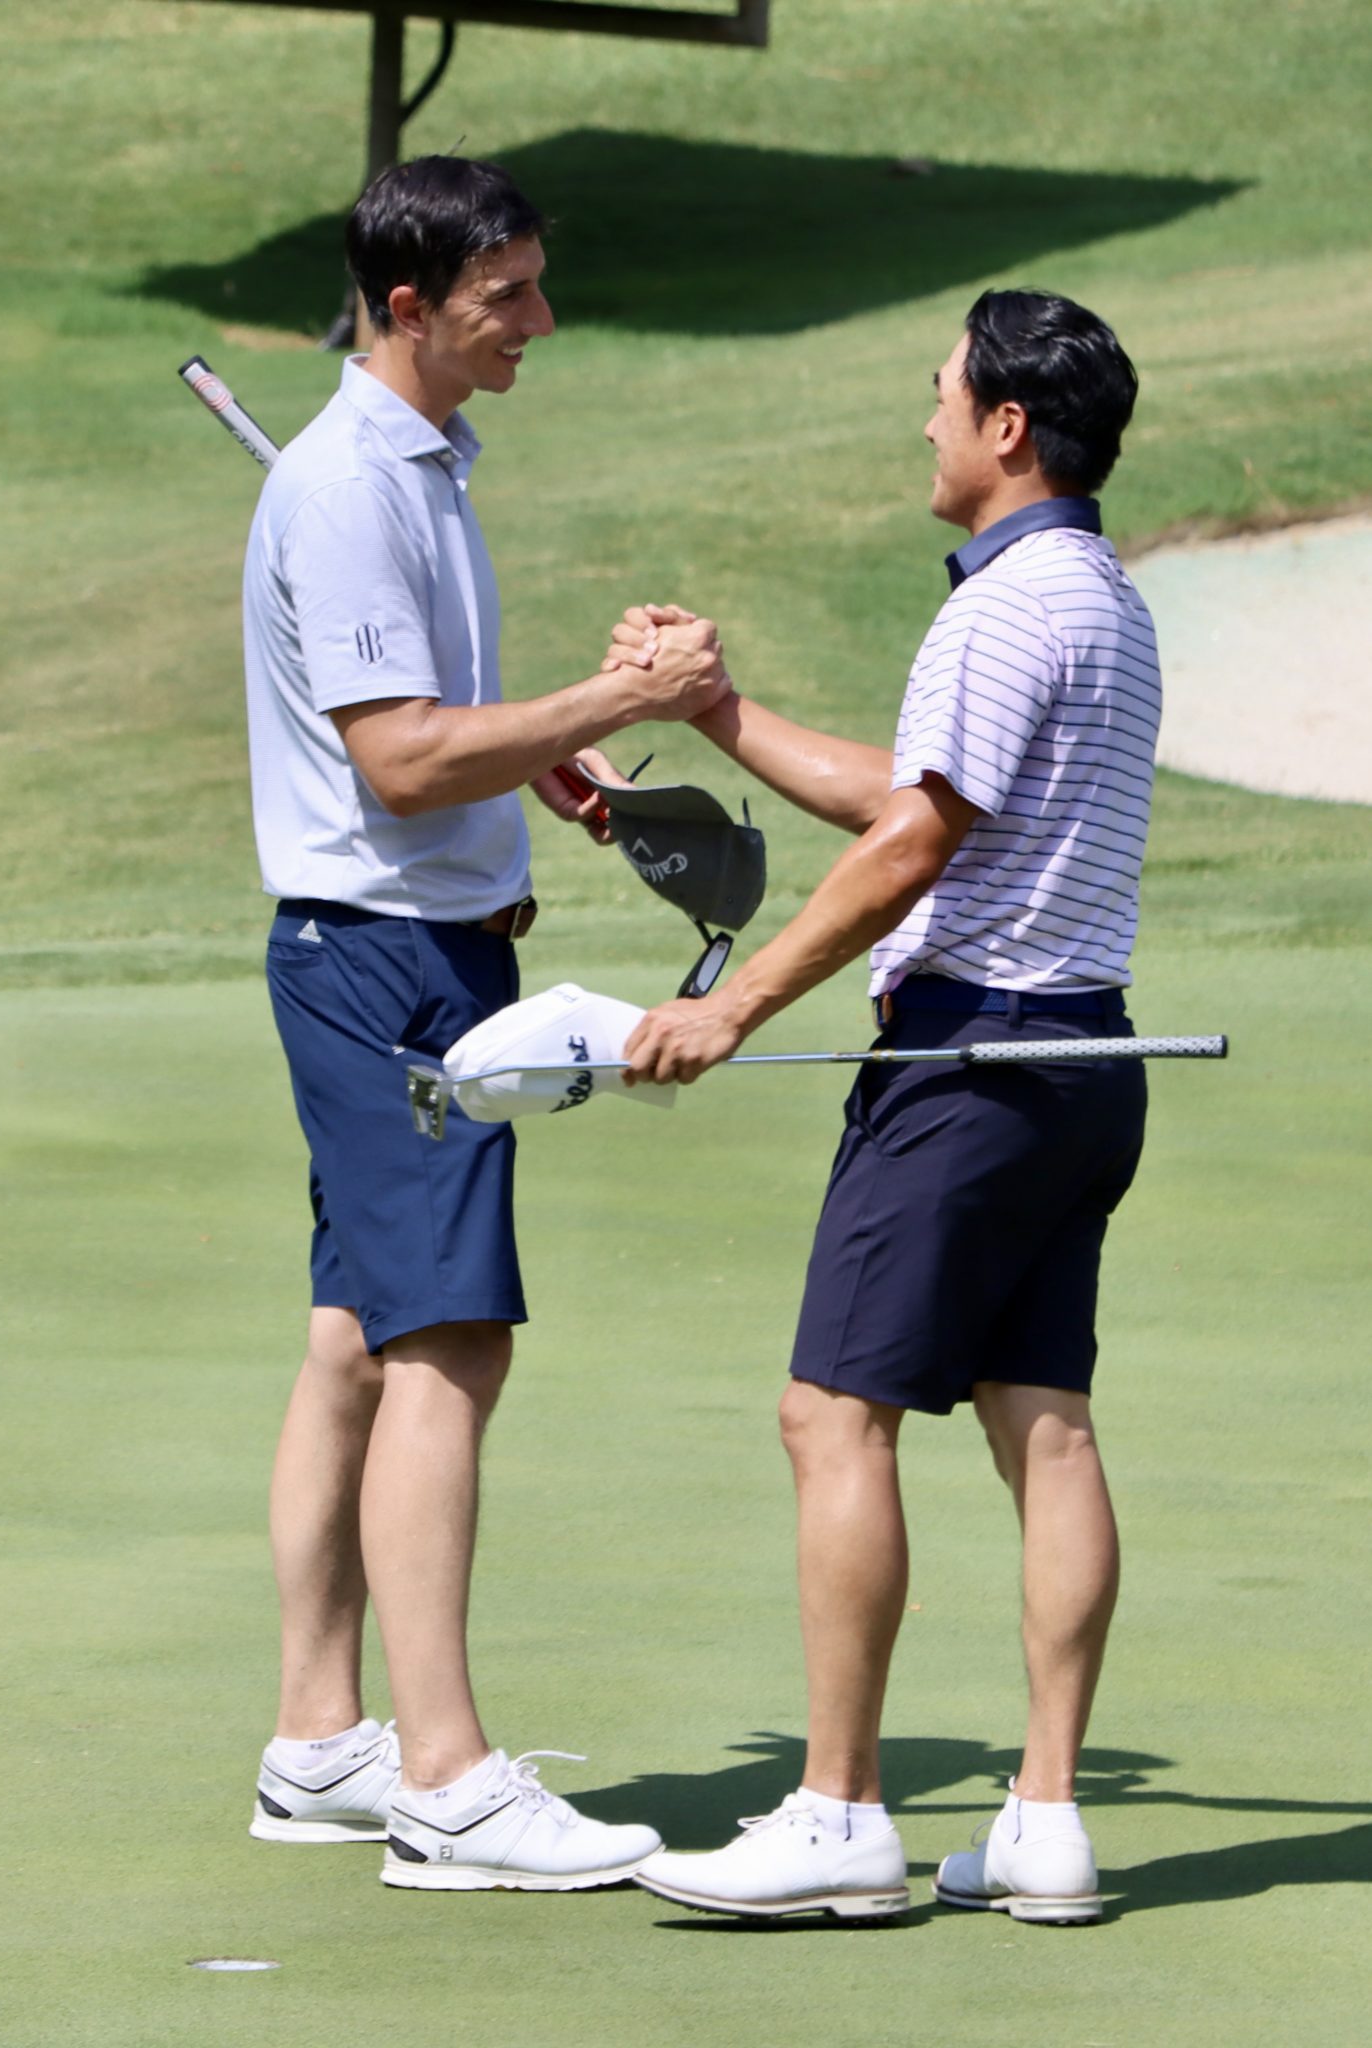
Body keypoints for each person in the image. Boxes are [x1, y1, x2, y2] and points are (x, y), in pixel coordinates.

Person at [615, 289, 1159, 1923]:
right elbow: (912, 797)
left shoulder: (1001, 612)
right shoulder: (1100, 596)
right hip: (1080, 1062)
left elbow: (911, 850)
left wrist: (735, 1003)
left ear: (1007, 428)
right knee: (1041, 1424)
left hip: (966, 1066)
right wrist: (717, 717)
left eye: (940, 395)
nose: (923, 419)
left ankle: (841, 1814)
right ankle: (1045, 1818)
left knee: (830, 1415)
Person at [240, 155, 726, 1892]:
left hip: (414, 942)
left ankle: (318, 1742)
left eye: (532, 283)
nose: (538, 320)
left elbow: (441, 730)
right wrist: (624, 694)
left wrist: (566, 765)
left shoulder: (423, 463)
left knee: (357, 1343)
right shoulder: (354, 487)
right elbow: (397, 758)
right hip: (386, 963)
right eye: (504, 294)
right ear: (405, 307)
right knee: (450, 1343)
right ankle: (444, 1782)